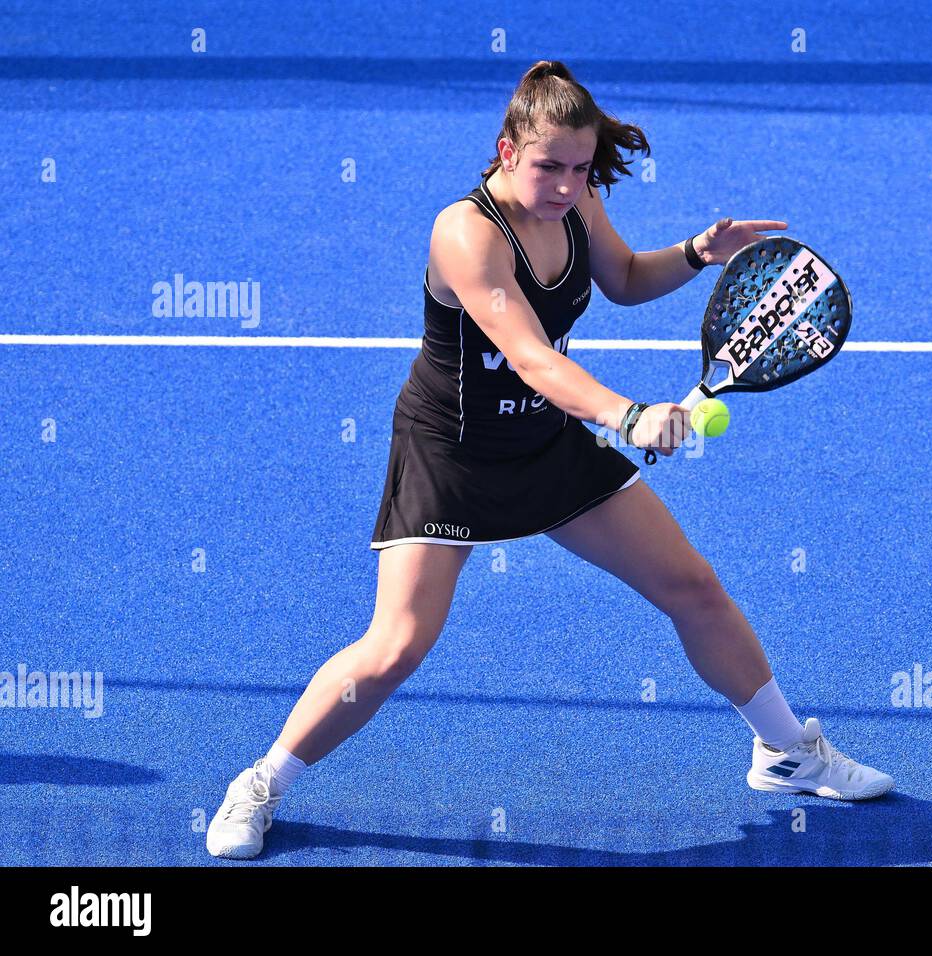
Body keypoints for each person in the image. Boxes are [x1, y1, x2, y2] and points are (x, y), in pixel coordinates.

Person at [206, 60, 893, 860]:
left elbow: (628, 279)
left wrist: (699, 252)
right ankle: (260, 783)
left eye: (579, 167)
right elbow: (531, 356)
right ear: (505, 151)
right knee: (396, 646)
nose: (567, 185)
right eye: (549, 166)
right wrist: (628, 415)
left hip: (545, 440)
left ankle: (785, 752)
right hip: (452, 454)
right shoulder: (463, 233)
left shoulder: (577, 205)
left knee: (693, 585)